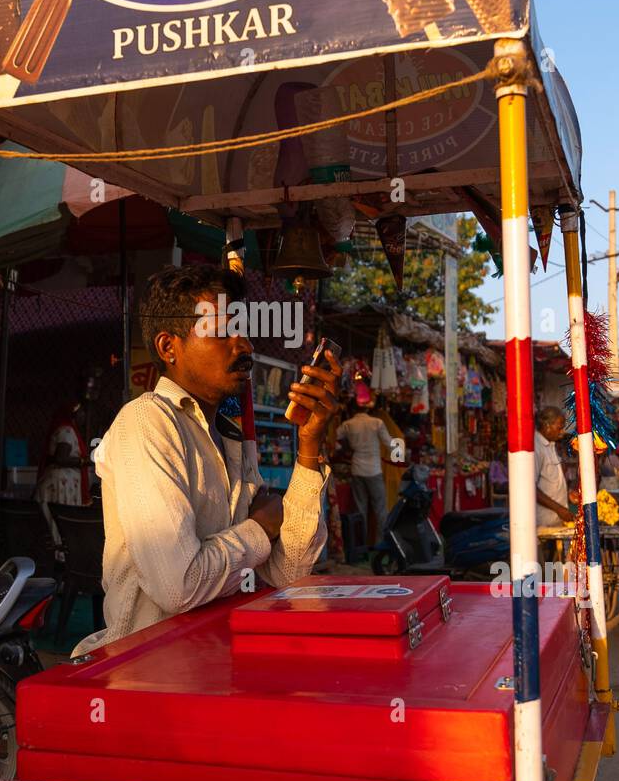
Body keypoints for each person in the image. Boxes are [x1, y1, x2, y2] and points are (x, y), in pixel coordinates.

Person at [71, 264, 339, 655]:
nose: (243, 345)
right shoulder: (147, 421)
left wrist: (309, 448)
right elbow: (179, 586)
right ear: (168, 347)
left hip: (215, 656)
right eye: (221, 331)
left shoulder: (229, 438)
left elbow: (290, 570)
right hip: (148, 668)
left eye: (243, 329)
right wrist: (260, 527)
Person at [335, 393, 394, 537]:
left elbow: (334, 440)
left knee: (360, 510)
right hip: (374, 470)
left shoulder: (348, 424)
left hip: (357, 469)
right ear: (368, 409)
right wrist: (401, 455)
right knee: (380, 509)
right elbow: (390, 443)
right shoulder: (376, 423)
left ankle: (361, 546)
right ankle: (382, 543)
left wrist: (344, 449)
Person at [34, 398, 91, 545]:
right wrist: (85, 461)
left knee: (58, 526)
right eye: (81, 412)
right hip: (60, 485)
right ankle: (60, 557)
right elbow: (61, 458)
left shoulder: (69, 430)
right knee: (61, 524)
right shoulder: (66, 430)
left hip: (62, 483)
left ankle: (60, 556)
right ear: (74, 414)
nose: (84, 415)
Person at [534, 406, 575, 526]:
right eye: (559, 428)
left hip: (555, 521)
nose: (562, 432)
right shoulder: (536, 447)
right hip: (543, 521)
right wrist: (558, 509)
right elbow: (531, 488)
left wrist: (567, 493)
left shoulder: (550, 445)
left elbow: (550, 480)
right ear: (547, 426)